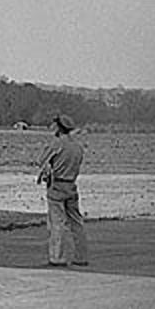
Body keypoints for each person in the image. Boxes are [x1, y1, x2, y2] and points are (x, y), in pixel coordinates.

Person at [37, 113, 89, 266]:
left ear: (59, 127)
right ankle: (81, 256)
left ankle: (57, 258)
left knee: (57, 223)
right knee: (76, 222)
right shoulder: (78, 146)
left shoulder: (57, 144)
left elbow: (40, 160)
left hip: (57, 186)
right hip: (72, 185)